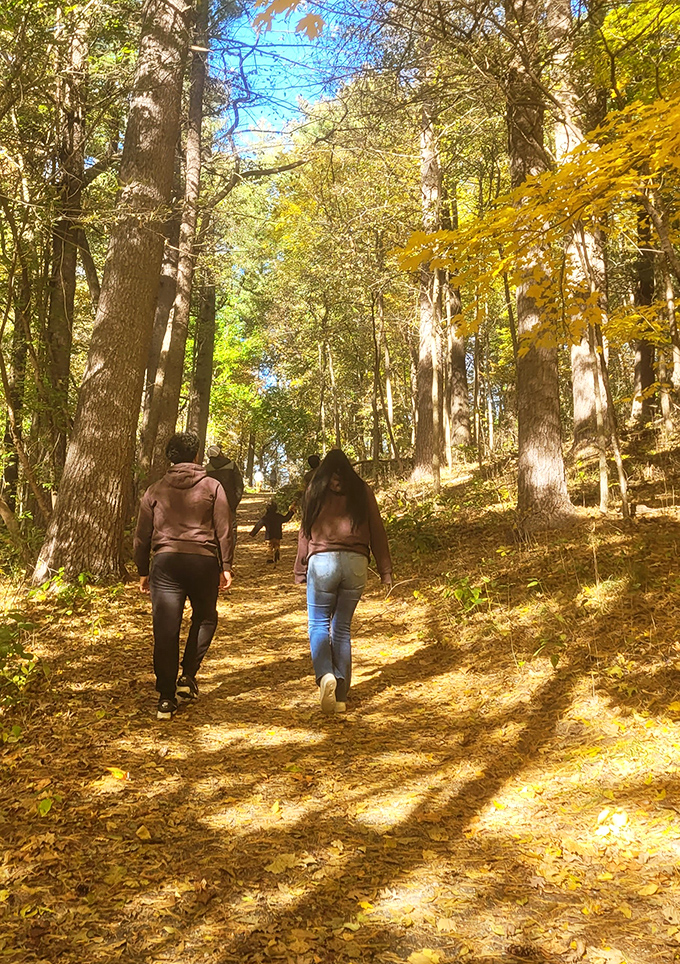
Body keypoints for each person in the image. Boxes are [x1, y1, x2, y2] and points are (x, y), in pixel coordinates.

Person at [134, 432, 233, 720]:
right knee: (205, 617)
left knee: (166, 629)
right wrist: (226, 565)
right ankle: (188, 676)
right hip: (203, 562)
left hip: (165, 563)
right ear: (197, 456)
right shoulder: (213, 486)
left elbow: (141, 536)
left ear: (170, 457)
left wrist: (143, 570)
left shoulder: (154, 490)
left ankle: (166, 698)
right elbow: (224, 528)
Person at [294, 449, 392, 715]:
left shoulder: (314, 489)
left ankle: (325, 674)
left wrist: (300, 568)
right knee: (342, 628)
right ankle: (340, 697)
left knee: (318, 624)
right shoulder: (362, 489)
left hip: (321, 562)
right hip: (356, 563)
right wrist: (385, 570)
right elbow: (377, 528)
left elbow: (305, 530)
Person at [205, 443, 244, 521]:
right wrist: (235, 501)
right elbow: (239, 484)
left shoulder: (206, 469)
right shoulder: (232, 465)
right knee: (231, 526)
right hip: (230, 502)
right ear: (220, 453)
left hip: (212, 504)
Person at [250, 500, 295, 564]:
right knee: (277, 545)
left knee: (269, 547)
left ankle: (270, 559)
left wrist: (252, 533)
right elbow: (286, 518)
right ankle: (277, 551)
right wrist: (291, 512)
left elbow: (258, 526)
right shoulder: (278, 516)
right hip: (278, 535)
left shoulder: (265, 518)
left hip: (269, 536)